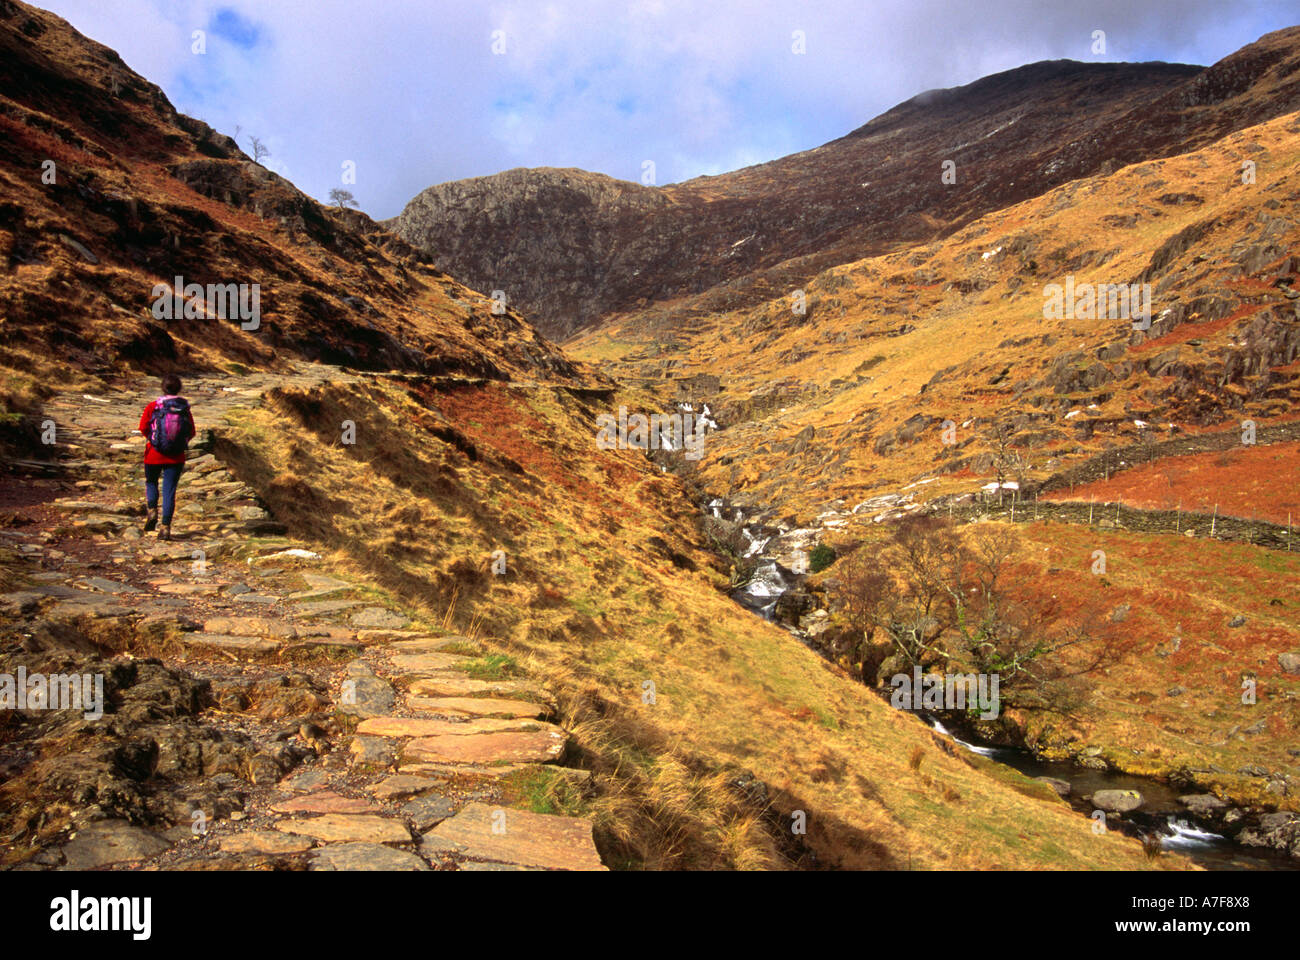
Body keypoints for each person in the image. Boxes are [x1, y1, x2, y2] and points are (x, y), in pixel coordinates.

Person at [138, 374, 195, 541]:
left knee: (151, 482)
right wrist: (178, 444)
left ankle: (152, 510)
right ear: (179, 388)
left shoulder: (154, 406)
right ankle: (165, 528)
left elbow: (143, 427)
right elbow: (191, 431)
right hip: (176, 457)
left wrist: (154, 441)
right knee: (169, 490)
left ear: (162, 388)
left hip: (153, 454)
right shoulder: (184, 408)